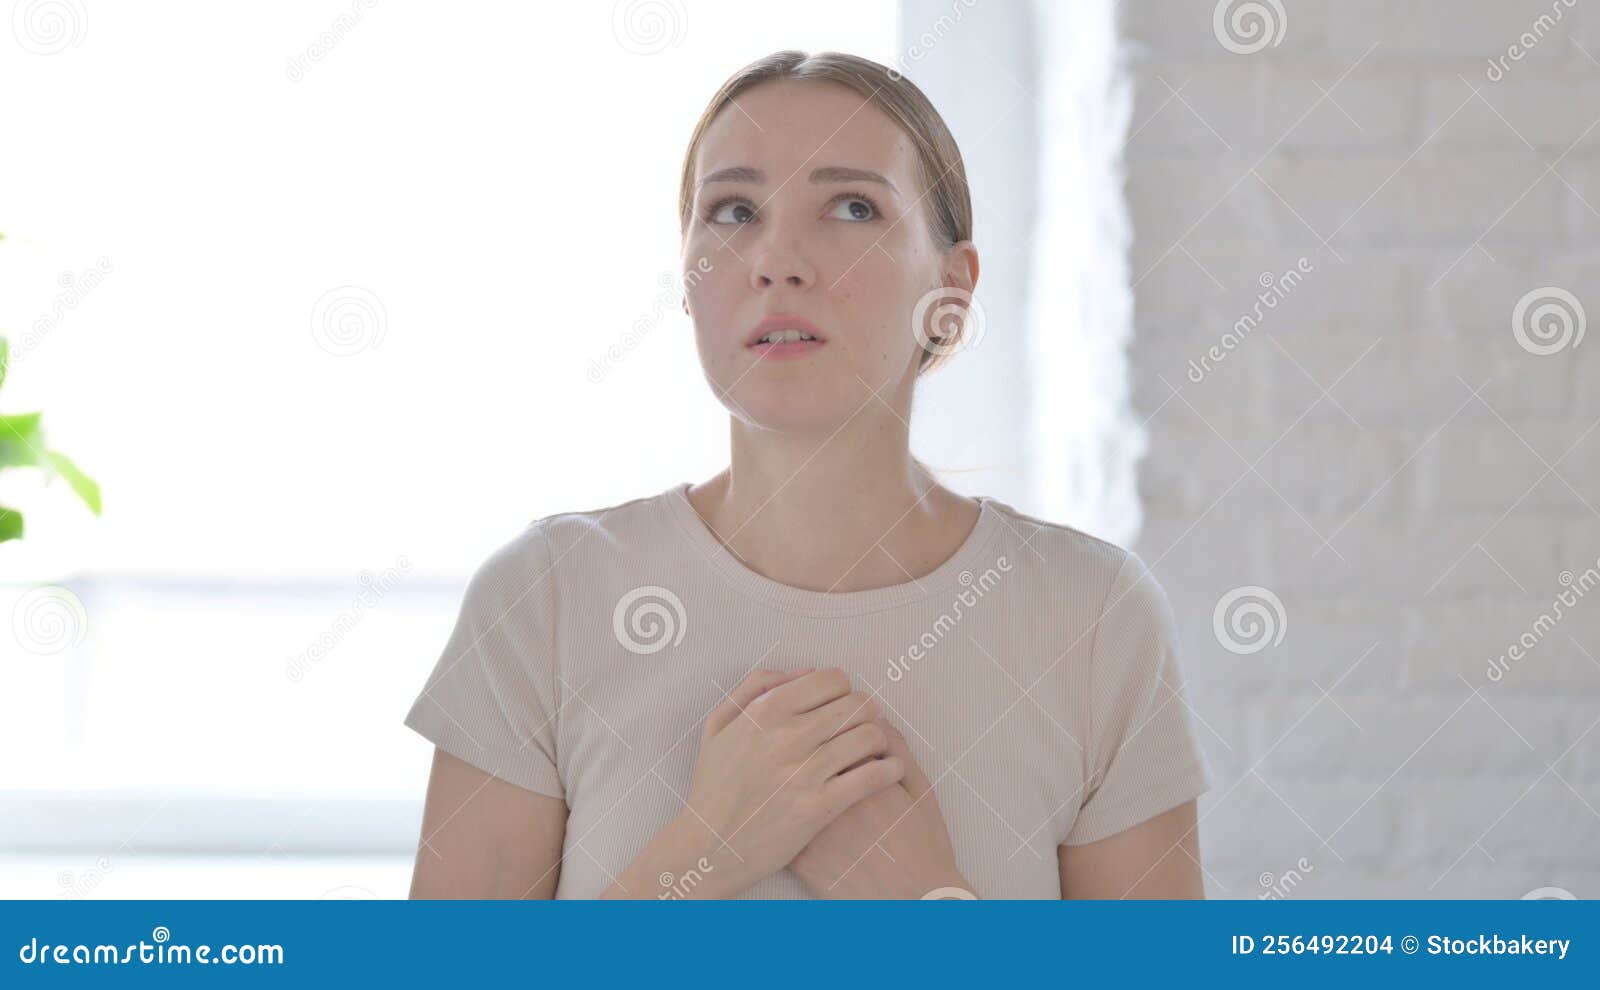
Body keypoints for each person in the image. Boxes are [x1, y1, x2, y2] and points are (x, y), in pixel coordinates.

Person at [404, 49, 1212, 899]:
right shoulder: (544, 601)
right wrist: (707, 851)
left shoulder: (1092, 618)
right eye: (733, 211)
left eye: (853, 207)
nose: (778, 259)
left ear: (951, 288)